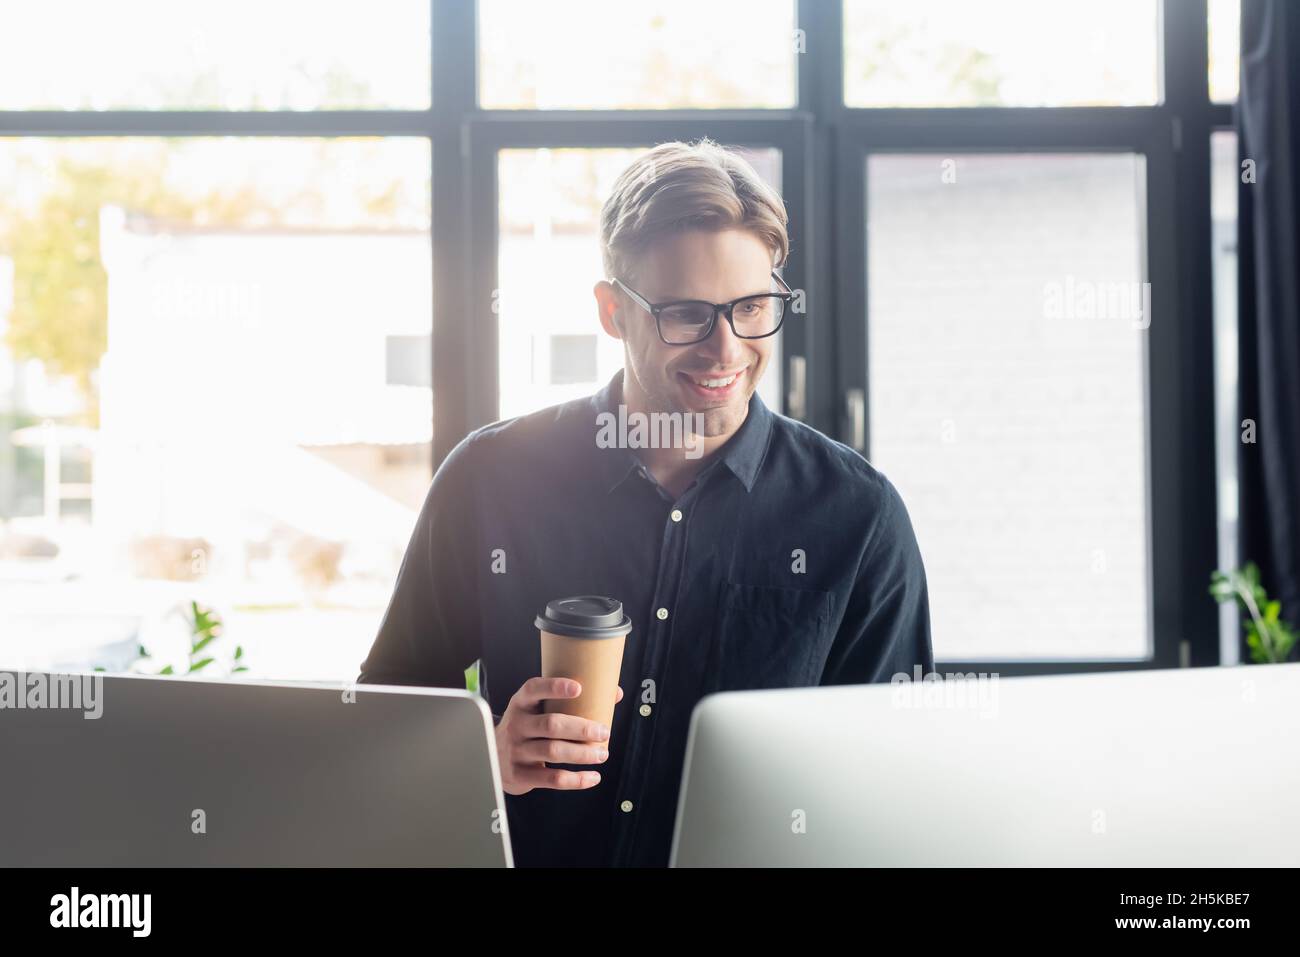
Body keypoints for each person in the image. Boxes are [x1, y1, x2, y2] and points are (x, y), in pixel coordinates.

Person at [357, 138, 933, 867]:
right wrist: (484, 757)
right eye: (687, 314)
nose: (726, 349)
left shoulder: (858, 515)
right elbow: (383, 714)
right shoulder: (489, 478)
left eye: (752, 307)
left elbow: (894, 767)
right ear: (611, 311)